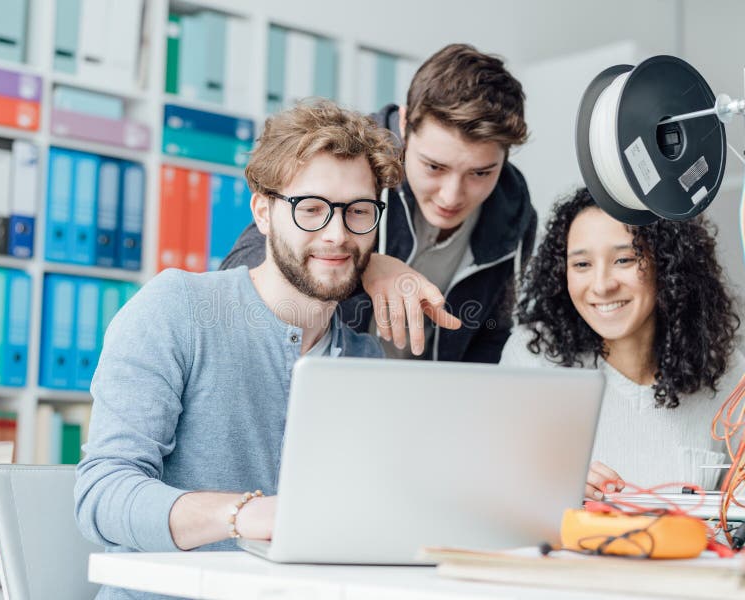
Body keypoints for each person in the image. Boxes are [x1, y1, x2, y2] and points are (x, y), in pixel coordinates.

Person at [74, 99, 403, 599]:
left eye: (358, 211)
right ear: (264, 212)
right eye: (312, 209)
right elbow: (102, 495)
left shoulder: (365, 360)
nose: (337, 234)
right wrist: (242, 515)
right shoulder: (176, 308)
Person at [222, 43, 536, 362]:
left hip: (425, 399)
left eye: (480, 173)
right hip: (326, 383)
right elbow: (240, 272)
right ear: (404, 125)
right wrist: (365, 264)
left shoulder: (513, 210)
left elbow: (492, 332)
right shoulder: (354, 159)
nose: (451, 196)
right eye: (434, 167)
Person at [500, 187, 745, 498]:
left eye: (625, 259)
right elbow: (494, 489)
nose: (602, 285)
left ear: (668, 265)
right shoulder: (532, 357)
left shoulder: (724, 370)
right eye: (582, 265)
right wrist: (548, 483)